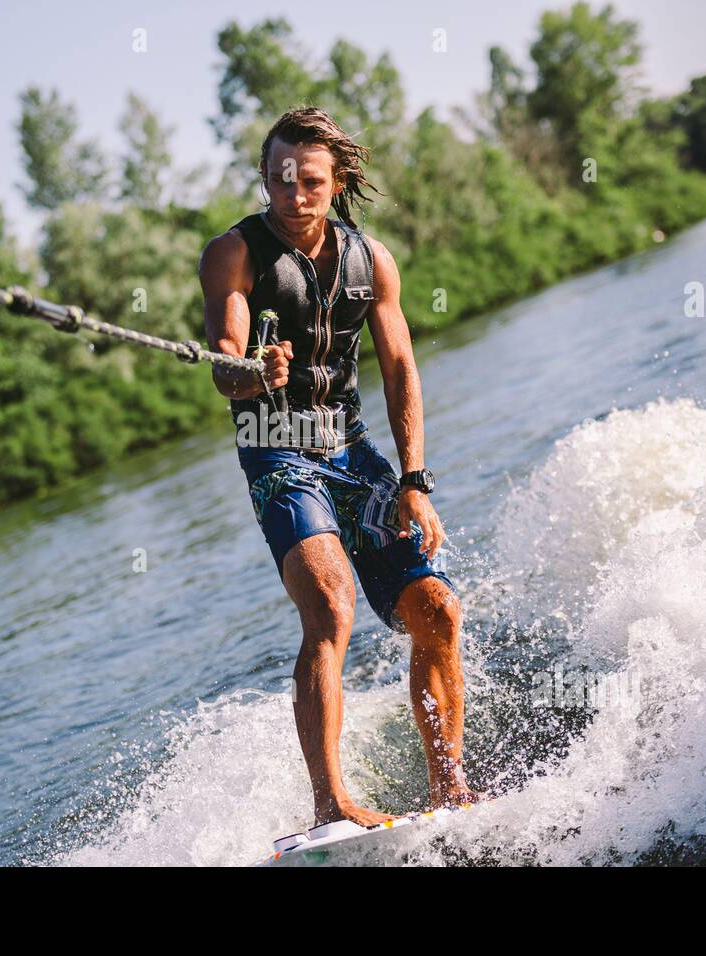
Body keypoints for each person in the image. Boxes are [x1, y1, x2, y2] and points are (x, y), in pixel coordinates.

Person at [198, 106, 479, 828]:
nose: (294, 195)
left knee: (438, 612)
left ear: (339, 180)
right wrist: (252, 370)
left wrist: (414, 481)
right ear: (265, 178)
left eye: (311, 181)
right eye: (281, 180)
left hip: (352, 451)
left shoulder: (371, 259)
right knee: (329, 606)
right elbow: (225, 366)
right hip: (277, 448)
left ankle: (449, 786)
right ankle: (332, 805)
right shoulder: (234, 253)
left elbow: (400, 368)